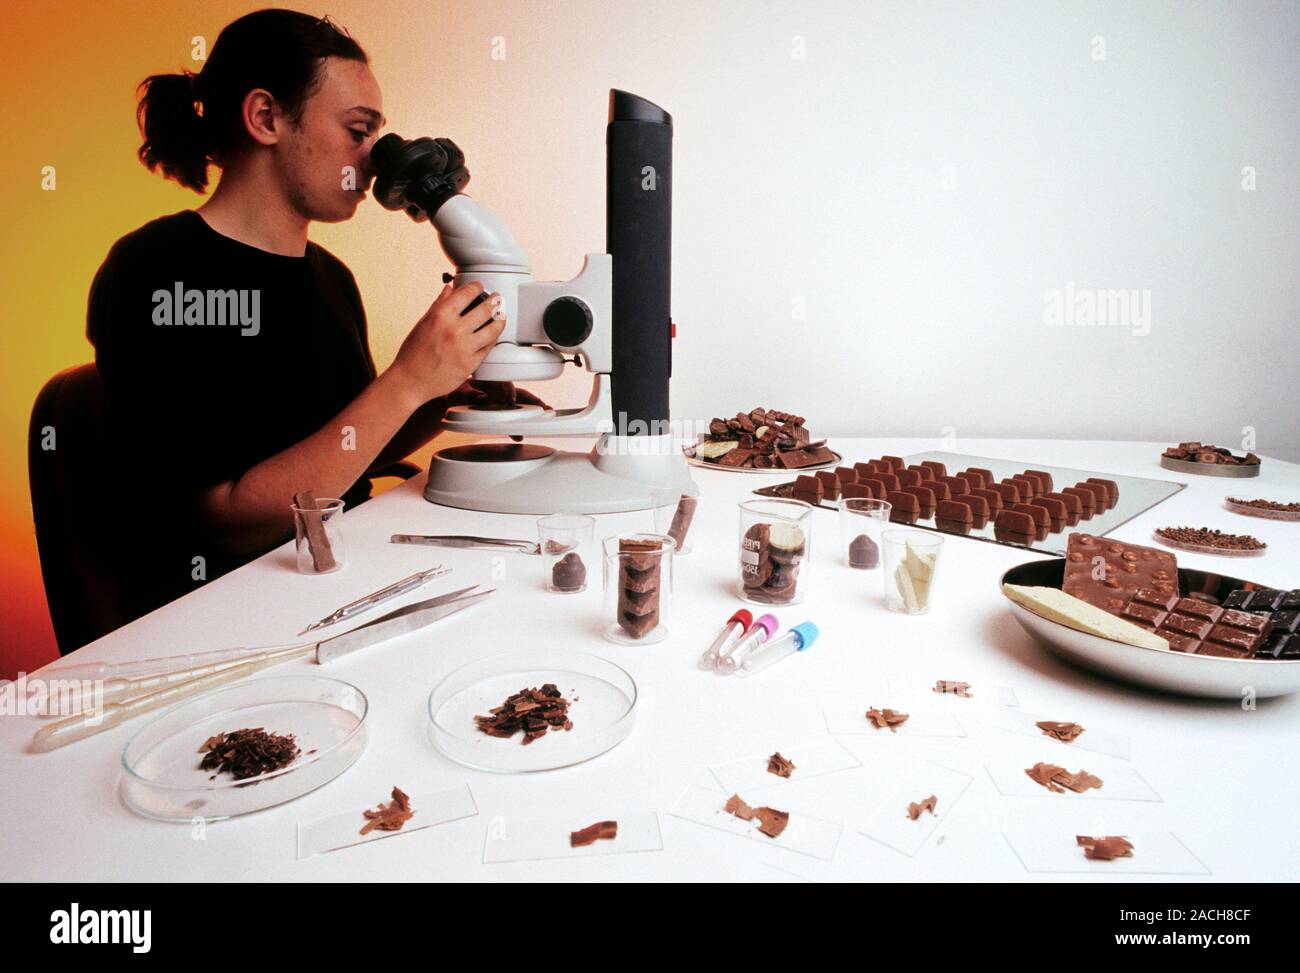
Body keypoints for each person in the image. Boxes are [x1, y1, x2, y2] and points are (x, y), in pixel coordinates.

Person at [87, 9, 533, 624]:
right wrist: (406, 381)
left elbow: (345, 451)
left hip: (332, 577)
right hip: (223, 611)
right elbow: (229, 522)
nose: (374, 159)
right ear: (267, 117)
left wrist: (441, 395)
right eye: (358, 131)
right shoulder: (158, 270)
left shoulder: (331, 278)